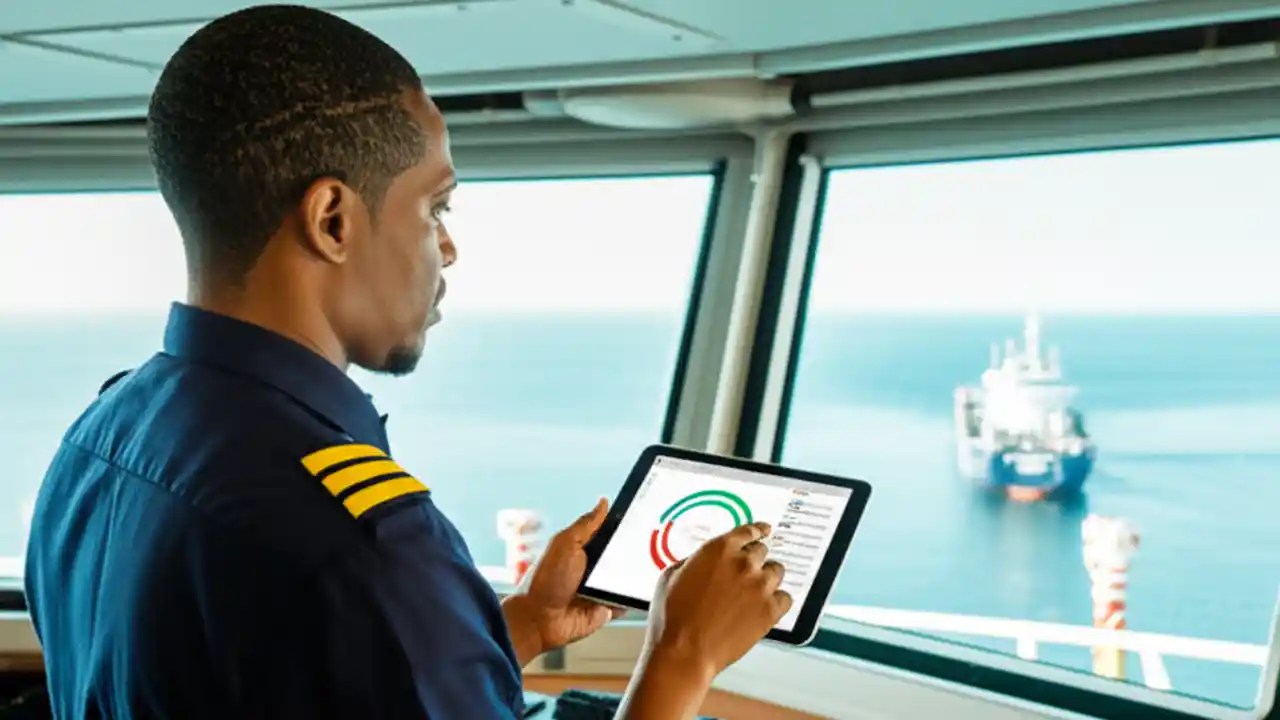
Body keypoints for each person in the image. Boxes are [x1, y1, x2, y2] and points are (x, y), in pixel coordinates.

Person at [23, 5, 792, 719]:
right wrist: (681, 657)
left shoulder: (97, 443)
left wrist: (515, 626)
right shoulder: (368, 550)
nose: (447, 247)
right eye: (435, 208)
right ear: (332, 219)